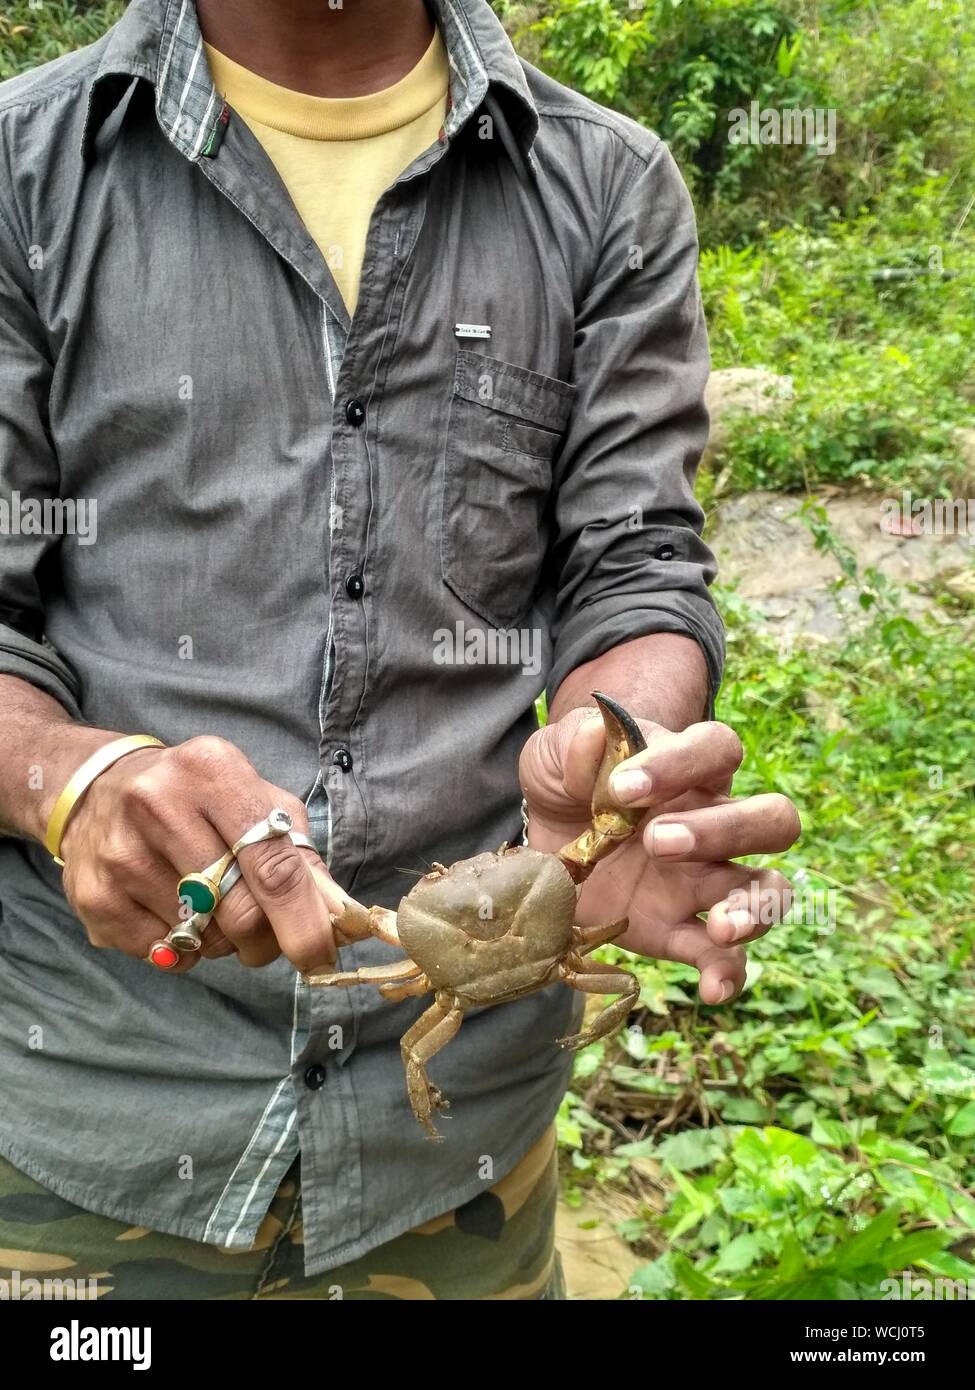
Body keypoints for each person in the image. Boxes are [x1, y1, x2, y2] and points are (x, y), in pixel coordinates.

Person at [0, 0, 800, 1300]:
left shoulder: (603, 187)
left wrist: (618, 760)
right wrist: (71, 780)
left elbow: (635, 561)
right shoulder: (26, 170)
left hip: (462, 1144)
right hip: (87, 1113)